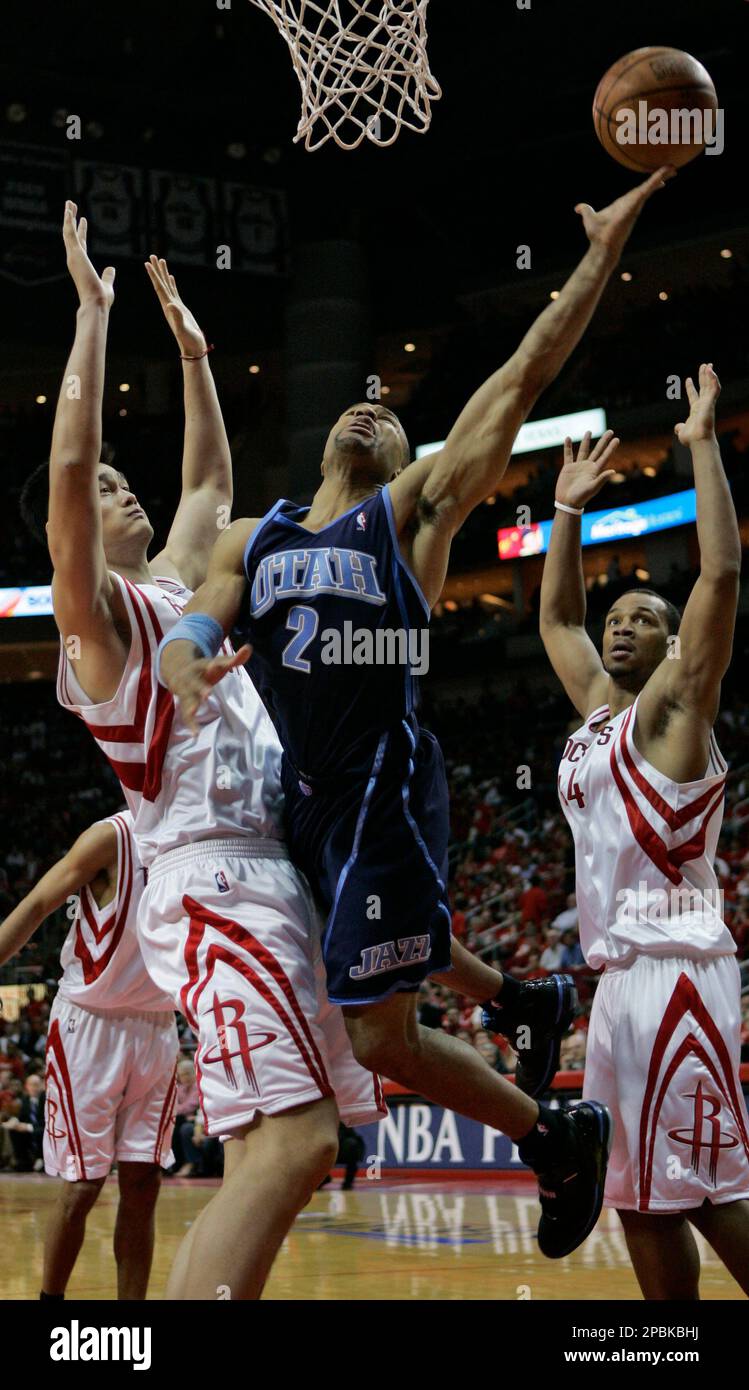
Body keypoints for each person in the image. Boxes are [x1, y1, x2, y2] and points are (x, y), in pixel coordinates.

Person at [160, 168, 674, 1258]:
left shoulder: (409, 515)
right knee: (371, 1004)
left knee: (381, 1034)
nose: (368, 404)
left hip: (382, 788)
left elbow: (524, 371)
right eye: (355, 401)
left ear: (408, 463)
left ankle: (555, 1132)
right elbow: (199, 615)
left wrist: (595, 255)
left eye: (388, 411)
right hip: (306, 806)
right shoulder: (254, 535)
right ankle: (526, 1006)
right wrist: (184, 656)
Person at [23, 203, 385, 1300]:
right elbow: (70, 472)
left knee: (293, 1142)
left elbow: (210, 487)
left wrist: (191, 353)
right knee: (281, 1140)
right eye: (102, 490)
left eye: (122, 482)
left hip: (271, 865)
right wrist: (92, 316)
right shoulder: (93, 622)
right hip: (208, 871)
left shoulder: (180, 584)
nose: (116, 485)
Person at [539, 365, 749, 1298]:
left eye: (642, 619)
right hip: (619, 984)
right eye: (614, 615)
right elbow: (552, 615)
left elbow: (720, 573)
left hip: (677, 971)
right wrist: (566, 514)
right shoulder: (593, 711)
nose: (620, 626)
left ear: (673, 649)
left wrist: (699, 447)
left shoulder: (676, 712)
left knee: (704, 1195)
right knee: (632, 1196)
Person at [0, 811, 178, 1299]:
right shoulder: (111, 837)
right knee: (83, 1186)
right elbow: (37, 904)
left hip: (158, 1024)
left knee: (144, 1183)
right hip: (89, 1025)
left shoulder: (200, 832)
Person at [1, 1074, 46, 1171]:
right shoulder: (25, 1100)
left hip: (44, 1130)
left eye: (36, 1085)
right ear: (26, 1086)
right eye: (31, 1085)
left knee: (39, 1132)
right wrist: (14, 1121)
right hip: (30, 1132)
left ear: (42, 1085)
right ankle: (21, 1161)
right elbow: (21, 1118)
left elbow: (46, 1123)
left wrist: (28, 1127)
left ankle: (41, 1159)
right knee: (14, 1131)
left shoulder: (46, 1099)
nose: (34, 1088)